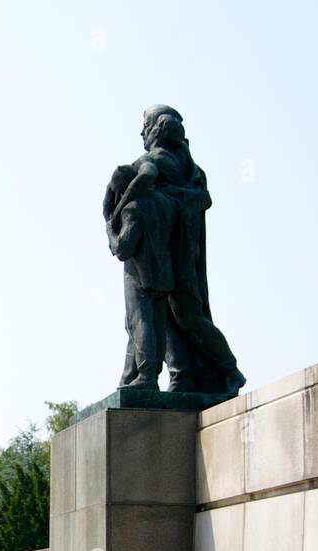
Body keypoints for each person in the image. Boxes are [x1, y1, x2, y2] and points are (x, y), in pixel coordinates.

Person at [104, 106, 245, 395]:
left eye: (145, 125)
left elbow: (148, 184)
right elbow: (201, 199)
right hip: (176, 256)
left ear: (156, 129)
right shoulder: (188, 167)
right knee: (168, 315)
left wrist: (115, 211)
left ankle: (230, 369)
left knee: (182, 315)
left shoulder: (155, 162)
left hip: (174, 257)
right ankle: (182, 376)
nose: (141, 132)